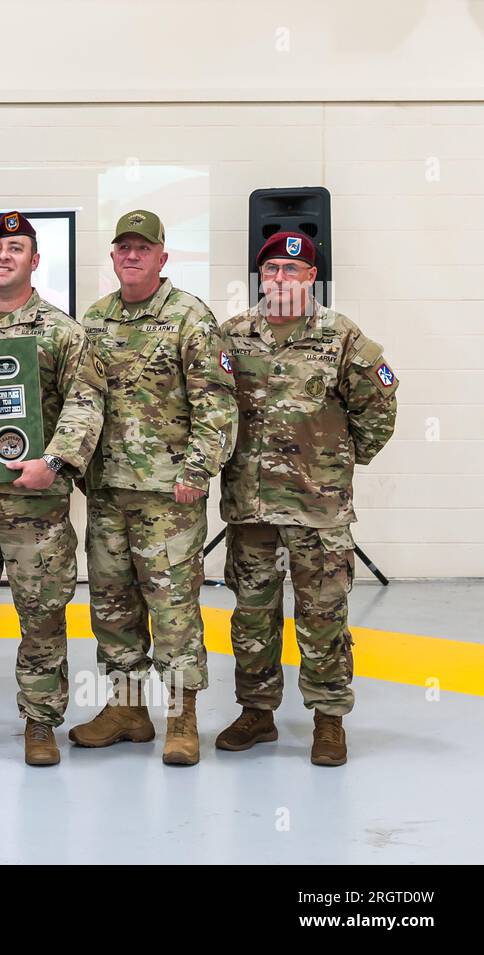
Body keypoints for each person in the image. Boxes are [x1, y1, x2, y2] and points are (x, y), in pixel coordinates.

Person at [216, 232, 398, 766]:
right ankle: (257, 713)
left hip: (318, 512)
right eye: (271, 270)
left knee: (322, 616)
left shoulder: (340, 337)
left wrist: (338, 462)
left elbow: (379, 407)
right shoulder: (233, 336)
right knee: (252, 616)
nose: (280, 279)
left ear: (310, 278)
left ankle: (328, 719)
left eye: (291, 271)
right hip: (251, 510)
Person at [0, 212, 105, 765]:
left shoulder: (62, 331)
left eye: (17, 248)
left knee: (42, 615)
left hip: (36, 502)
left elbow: (85, 404)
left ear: (35, 261)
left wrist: (54, 463)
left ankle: (39, 722)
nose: (5, 256)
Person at [72, 210, 238, 766]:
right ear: (114, 256)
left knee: (172, 610)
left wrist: (197, 472)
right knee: (112, 607)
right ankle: (126, 710)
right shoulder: (95, 319)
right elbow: (81, 399)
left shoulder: (190, 317)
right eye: (124, 247)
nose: (132, 255)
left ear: (162, 257)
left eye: (143, 248)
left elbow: (216, 403)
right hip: (107, 491)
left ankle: (181, 715)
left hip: (170, 497)